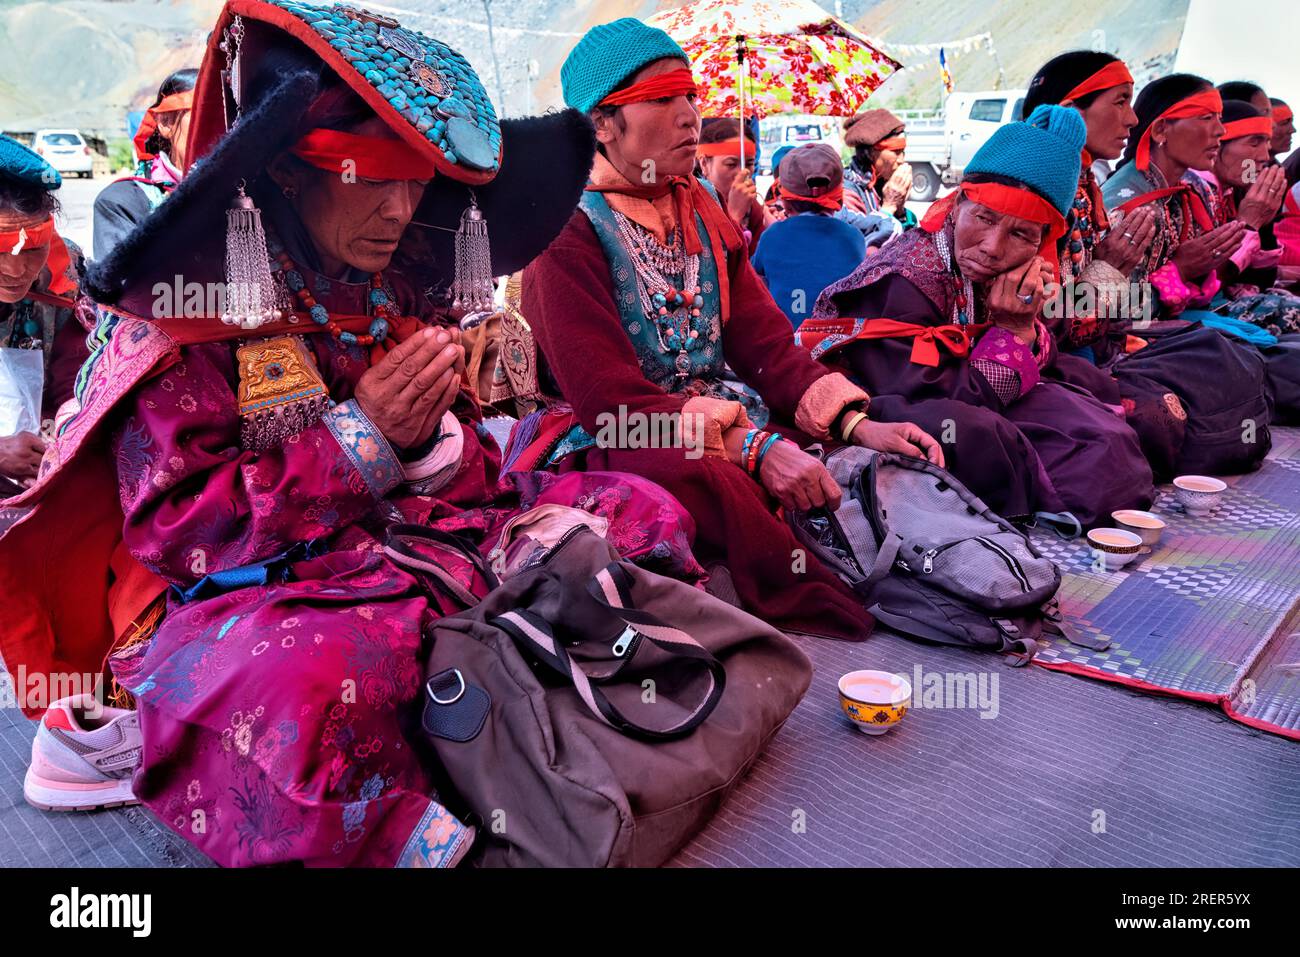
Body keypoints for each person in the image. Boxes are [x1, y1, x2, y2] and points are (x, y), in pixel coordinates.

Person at [1, 1, 702, 867]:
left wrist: (439, 450)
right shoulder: (184, 310)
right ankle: (153, 734)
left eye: (418, 181)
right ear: (294, 171)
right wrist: (361, 436)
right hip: (240, 594)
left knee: (636, 511)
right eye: (374, 175)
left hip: (407, 542)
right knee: (320, 681)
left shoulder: (389, 281)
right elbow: (181, 532)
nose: (403, 210)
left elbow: (461, 464)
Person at [514, 17, 942, 643]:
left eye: (690, 94)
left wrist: (855, 421)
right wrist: (752, 449)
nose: (691, 115)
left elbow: (765, 343)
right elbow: (609, 404)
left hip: (719, 416)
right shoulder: (565, 232)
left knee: (881, 431)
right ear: (602, 125)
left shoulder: (699, 204)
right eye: (663, 99)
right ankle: (839, 592)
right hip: (625, 431)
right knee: (719, 483)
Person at [810, 105, 1154, 528]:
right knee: (978, 429)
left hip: (978, 392)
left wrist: (1025, 328)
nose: (992, 246)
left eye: (1021, 233)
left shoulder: (1014, 266)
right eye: (984, 217)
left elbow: (1057, 335)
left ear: (1044, 241)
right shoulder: (907, 278)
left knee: (1103, 395)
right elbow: (928, 396)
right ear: (957, 205)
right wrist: (1013, 333)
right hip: (893, 408)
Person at [1023, 53, 1271, 478]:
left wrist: (1189, 273)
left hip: (1094, 339)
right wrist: (1171, 274)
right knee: (1186, 396)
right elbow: (1058, 317)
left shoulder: (1100, 191)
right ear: (1068, 114)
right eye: (1120, 102)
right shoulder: (1072, 197)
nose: (1132, 118)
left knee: (1240, 361)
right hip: (1063, 354)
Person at [0, 135, 88, 494]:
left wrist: (65, 435)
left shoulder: (63, 272)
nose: (15, 269)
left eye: (33, 249)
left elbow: (76, 376)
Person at [752, 144, 867, 328]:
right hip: (838, 344)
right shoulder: (854, 237)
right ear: (839, 199)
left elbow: (753, 271)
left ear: (786, 203)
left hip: (786, 342)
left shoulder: (772, 236)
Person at [92, 68, 197, 259]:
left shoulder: (250, 193)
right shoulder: (120, 203)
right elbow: (124, 285)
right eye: (203, 113)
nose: (218, 126)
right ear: (165, 123)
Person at [695, 117, 771, 253]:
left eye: (749, 164)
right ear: (704, 164)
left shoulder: (752, 207)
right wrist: (734, 215)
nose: (742, 172)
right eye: (731, 164)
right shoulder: (690, 205)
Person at [841, 108, 915, 230]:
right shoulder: (848, 191)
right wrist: (889, 206)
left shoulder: (882, 183)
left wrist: (899, 210)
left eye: (903, 152)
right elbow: (862, 242)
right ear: (870, 153)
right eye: (896, 152)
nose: (901, 160)